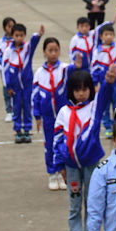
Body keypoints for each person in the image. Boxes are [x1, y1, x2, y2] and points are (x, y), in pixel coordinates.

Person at [53, 64, 116, 231]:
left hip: (92, 165)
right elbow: (57, 140)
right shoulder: (64, 112)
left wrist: (107, 83)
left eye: (85, 89)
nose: (81, 93)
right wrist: (59, 166)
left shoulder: (94, 108)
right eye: (77, 90)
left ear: (90, 89)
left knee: (92, 202)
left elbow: (104, 97)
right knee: (74, 204)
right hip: (71, 166)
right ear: (71, 91)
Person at [32, 37, 72, 190]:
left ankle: (63, 173)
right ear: (44, 52)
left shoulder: (65, 69)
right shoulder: (39, 73)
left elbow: (76, 76)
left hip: (63, 116)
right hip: (48, 117)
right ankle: (52, 174)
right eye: (50, 50)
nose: (53, 53)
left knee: (63, 143)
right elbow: (35, 96)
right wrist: (37, 116)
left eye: (56, 50)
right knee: (49, 145)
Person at [2, 22, 43, 144]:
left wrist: (39, 35)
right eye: (16, 35)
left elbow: (34, 42)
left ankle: (27, 130)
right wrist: (8, 86)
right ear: (12, 36)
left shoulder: (27, 49)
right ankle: (18, 130)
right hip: (15, 86)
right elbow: (5, 69)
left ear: (24, 36)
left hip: (27, 84)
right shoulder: (8, 51)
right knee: (16, 107)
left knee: (27, 106)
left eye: (21, 35)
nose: (19, 38)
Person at [89, 20, 116, 137]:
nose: (109, 37)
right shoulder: (97, 52)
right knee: (105, 106)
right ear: (101, 36)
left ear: (114, 35)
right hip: (104, 84)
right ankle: (107, 127)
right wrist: (95, 84)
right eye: (106, 34)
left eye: (111, 34)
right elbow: (94, 69)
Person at [0, 18, 15, 122]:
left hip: (16, 70)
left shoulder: (17, 41)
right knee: (7, 90)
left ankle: (17, 110)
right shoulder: (0, 43)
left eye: (13, 26)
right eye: (9, 26)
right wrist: (3, 68)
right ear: (4, 28)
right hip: (5, 71)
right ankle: (9, 111)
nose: (11, 28)